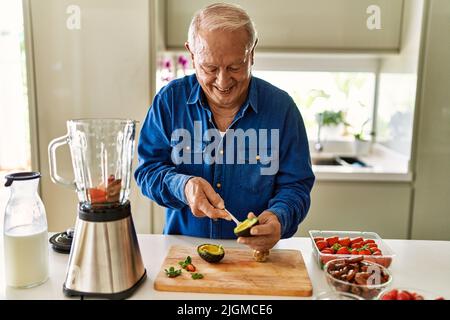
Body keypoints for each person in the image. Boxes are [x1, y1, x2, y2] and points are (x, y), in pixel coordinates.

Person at [134, 3, 315, 252]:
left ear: (251, 53)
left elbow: (296, 186)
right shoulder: (169, 102)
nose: (222, 81)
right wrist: (183, 186)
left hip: (256, 258)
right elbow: (147, 172)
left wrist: (279, 217)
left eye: (235, 67)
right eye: (210, 68)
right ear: (192, 54)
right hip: (184, 254)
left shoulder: (282, 109)